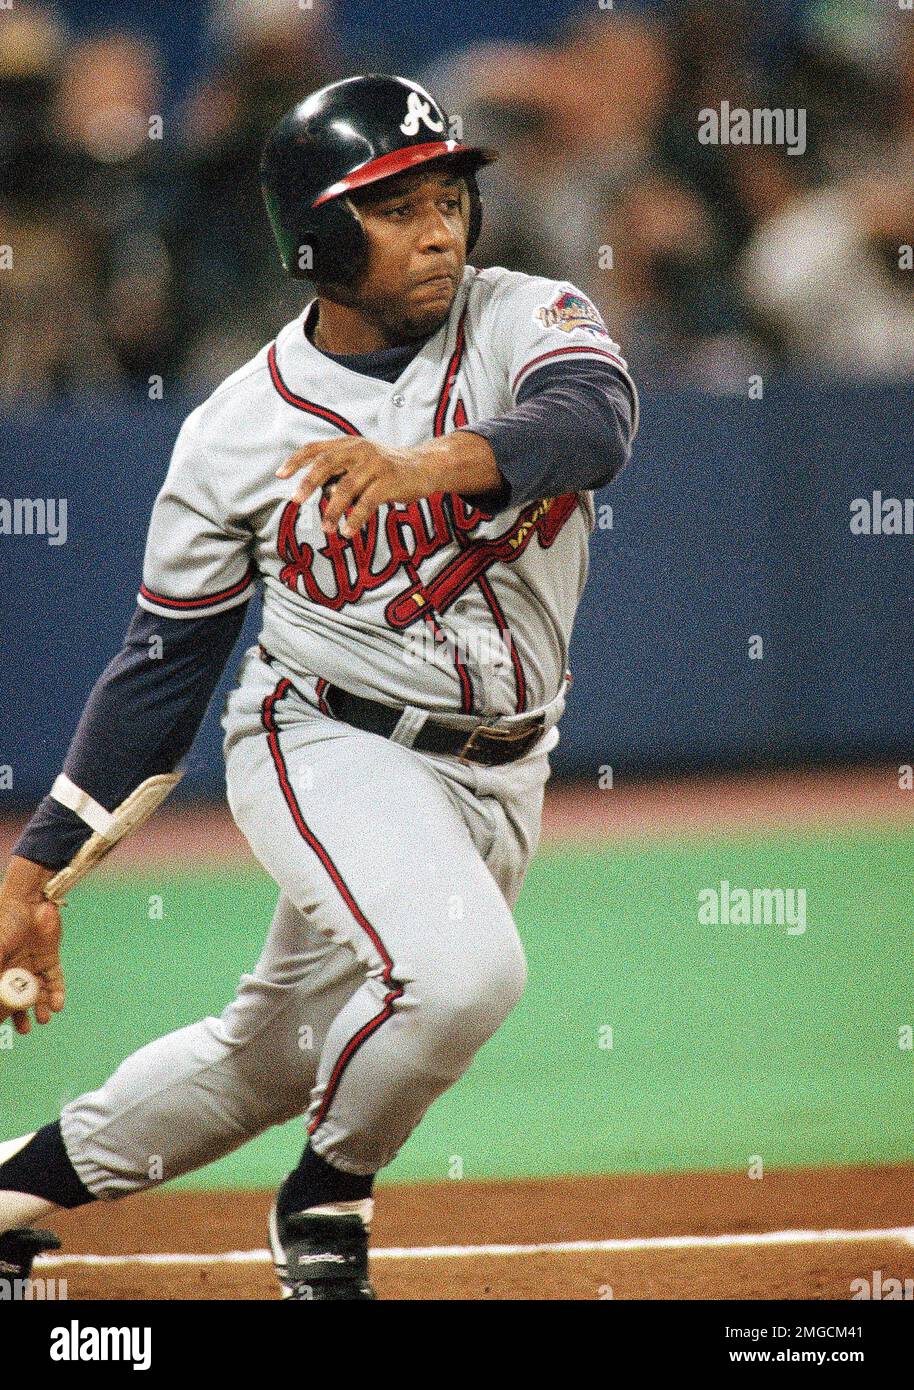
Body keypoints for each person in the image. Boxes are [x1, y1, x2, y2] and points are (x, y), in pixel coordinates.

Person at [0, 75, 638, 1300]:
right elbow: (161, 669)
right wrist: (35, 879)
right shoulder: (237, 433)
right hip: (323, 740)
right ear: (317, 239)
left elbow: (594, 423)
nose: (441, 228)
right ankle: (326, 1204)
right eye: (397, 207)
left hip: (505, 762)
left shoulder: (523, 316)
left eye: (450, 197)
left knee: (271, 1056)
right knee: (462, 975)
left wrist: (426, 468)